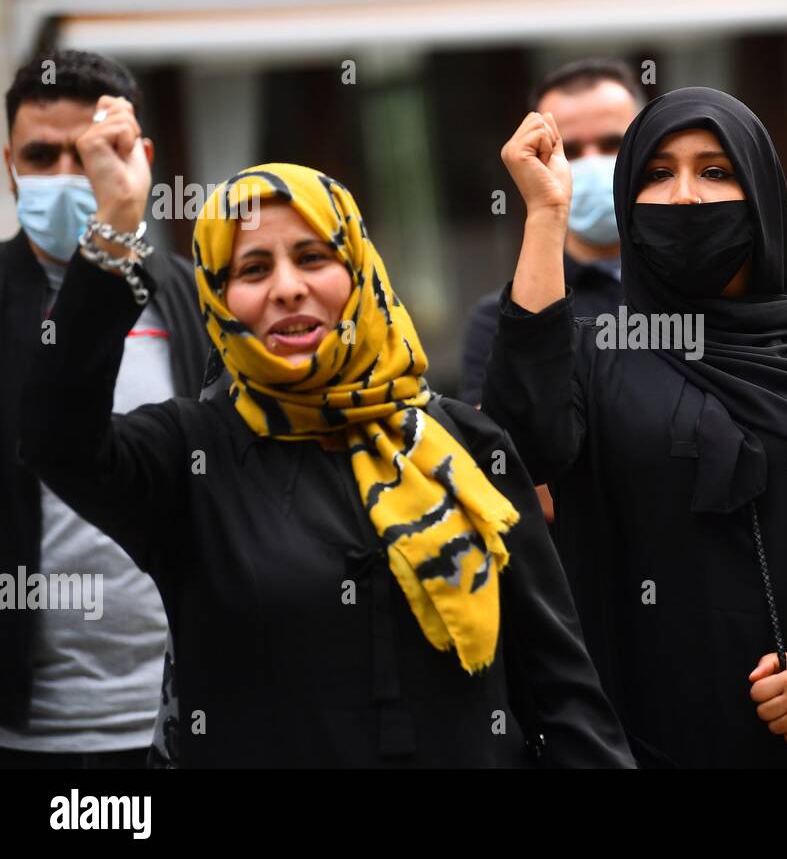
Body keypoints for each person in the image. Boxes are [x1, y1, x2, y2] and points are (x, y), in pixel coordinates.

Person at [19, 94, 633, 767]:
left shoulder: (462, 444)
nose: (287, 287)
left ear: (360, 271)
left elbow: (563, 691)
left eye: (313, 257)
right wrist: (115, 225)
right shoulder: (187, 457)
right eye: (253, 269)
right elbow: (56, 438)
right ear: (220, 301)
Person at [483, 86, 787, 767]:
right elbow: (521, 447)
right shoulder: (597, 357)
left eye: (715, 171)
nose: (686, 196)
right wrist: (545, 216)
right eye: (658, 174)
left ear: (765, 196)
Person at [0, 51, 207, 768]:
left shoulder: (195, 296)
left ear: (140, 158)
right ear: (9, 166)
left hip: (190, 710)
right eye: (41, 154)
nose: (65, 175)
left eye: (92, 151)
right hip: (32, 732)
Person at [459, 58, 642, 407]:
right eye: (568, 150)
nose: (591, 163)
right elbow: (500, 443)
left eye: (611, 144)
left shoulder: (704, 288)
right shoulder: (501, 320)